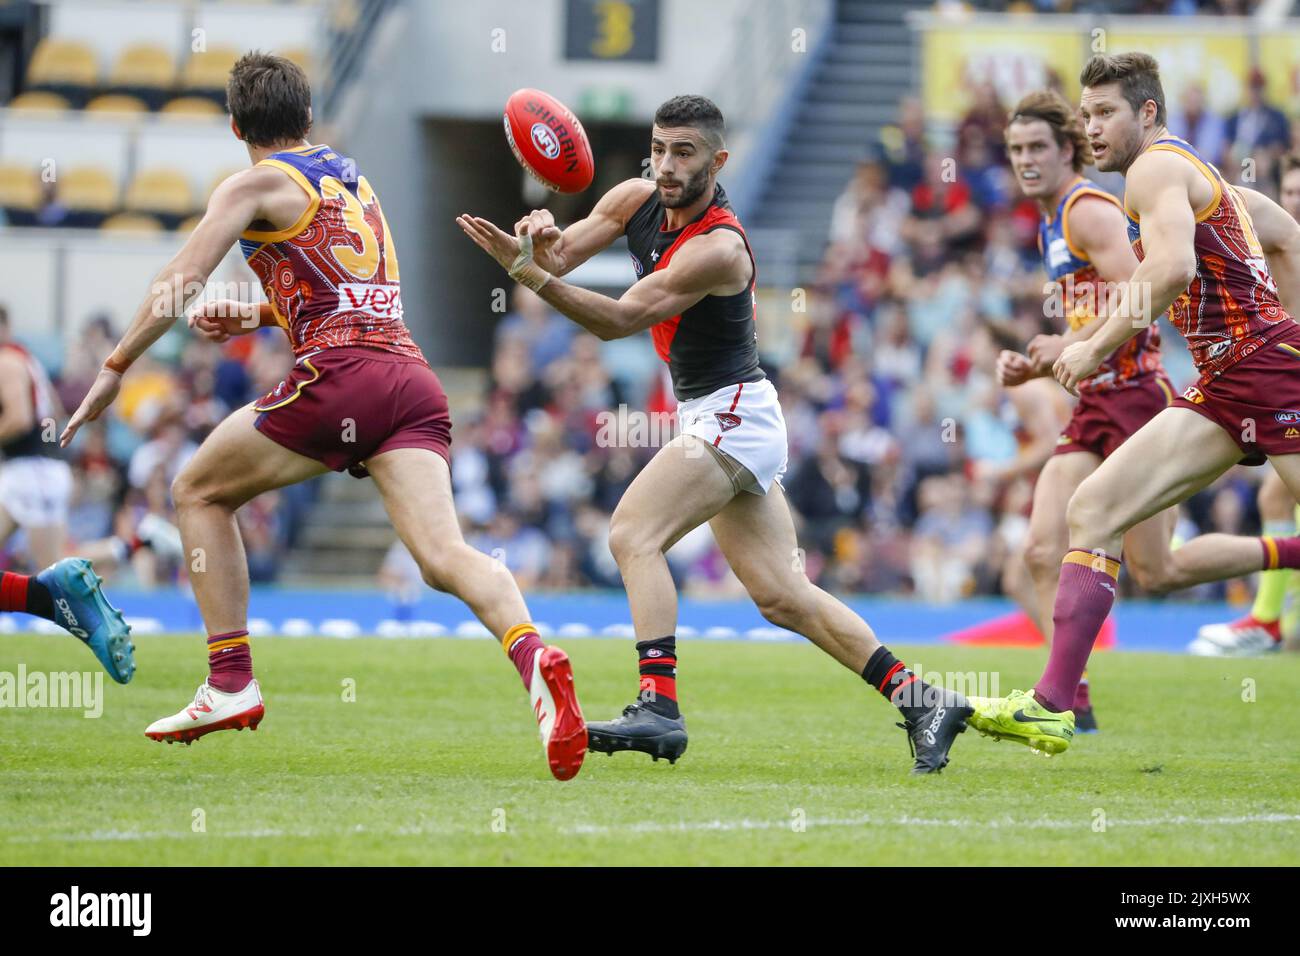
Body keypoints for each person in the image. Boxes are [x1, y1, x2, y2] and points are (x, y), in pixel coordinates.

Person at [60, 52, 587, 781]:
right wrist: (252, 311)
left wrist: (116, 365)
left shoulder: (250, 183)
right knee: (444, 558)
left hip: (342, 377)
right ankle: (536, 659)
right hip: (410, 379)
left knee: (197, 492)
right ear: (308, 120)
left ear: (237, 124)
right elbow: (353, 292)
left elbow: (180, 278)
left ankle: (230, 681)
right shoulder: (352, 178)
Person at [458, 94, 972, 774]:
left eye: (684, 152)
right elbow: (559, 260)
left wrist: (525, 273)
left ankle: (658, 706)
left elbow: (617, 321)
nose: (667, 166)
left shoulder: (720, 249)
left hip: (733, 414)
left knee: (630, 534)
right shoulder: (636, 196)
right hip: (718, 413)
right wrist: (537, 241)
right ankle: (925, 702)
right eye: (660, 148)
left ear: (717, 160)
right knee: (784, 597)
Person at [968, 53, 1300, 756]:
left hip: (1264, 369)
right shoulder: (1198, 179)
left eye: (1105, 112)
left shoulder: (1152, 171)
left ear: (1147, 113)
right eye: (1086, 113)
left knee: (1133, 546)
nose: (1092, 127)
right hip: (1222, 381)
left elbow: (1171, 266)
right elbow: (1284, 235)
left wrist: (1091, 346)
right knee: (1095, 511)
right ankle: (1054, 705)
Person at [996, 89, 1179, 733]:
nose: (1026, 160)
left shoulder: (1088, 211)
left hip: (1136, 399)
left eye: (1038, 147)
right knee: (1040, 551)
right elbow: (1084, 327)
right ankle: (1070, 700)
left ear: (1068, 148)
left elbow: (1144, 299)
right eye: (1016, 150)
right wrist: (1036, 363)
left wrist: (1065, 347)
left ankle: (1288, 551)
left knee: (1159, 571)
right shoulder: (1050, 220)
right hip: (1095, 402)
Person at [1191, 152, 1300, 656]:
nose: (1294, 203)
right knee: (1277, 497)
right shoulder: (1270, 253)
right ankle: (1270, 620)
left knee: (1279, 496)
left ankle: (1270, 620)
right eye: (1290, 194)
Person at [0, 306, 135, 683]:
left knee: (54, 568)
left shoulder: (6, 361)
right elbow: (53, 412)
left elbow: (19, 418)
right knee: (55, 567)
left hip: (29, 471)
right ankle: (130, 546)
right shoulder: (27, 360)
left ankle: (85, 597)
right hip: (37, 468)